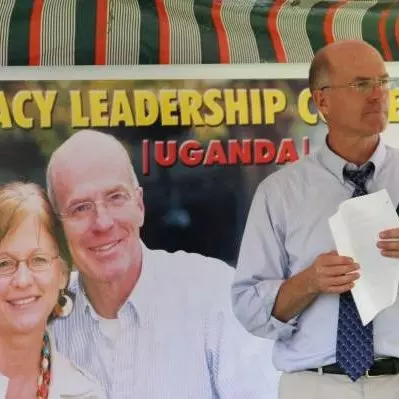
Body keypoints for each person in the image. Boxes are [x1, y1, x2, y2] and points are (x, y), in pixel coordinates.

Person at [46, 129, 280, 399]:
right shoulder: (46, 320)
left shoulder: (215, 295)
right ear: (59, 226)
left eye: (115, 197)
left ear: (140, 206)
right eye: (80, 208)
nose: (103, 223)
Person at [231, 39, 399, 399]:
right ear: (322, 101)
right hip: (315, 385)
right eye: (361, 84)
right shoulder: (280, 193)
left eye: (383, 82)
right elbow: (248, 308)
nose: (378, 95)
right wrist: (308, 282)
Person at [0, 182, 105, 399]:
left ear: (62, 274)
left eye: (38, 260)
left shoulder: (85, 394)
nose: (22, 280)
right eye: (4, 264)